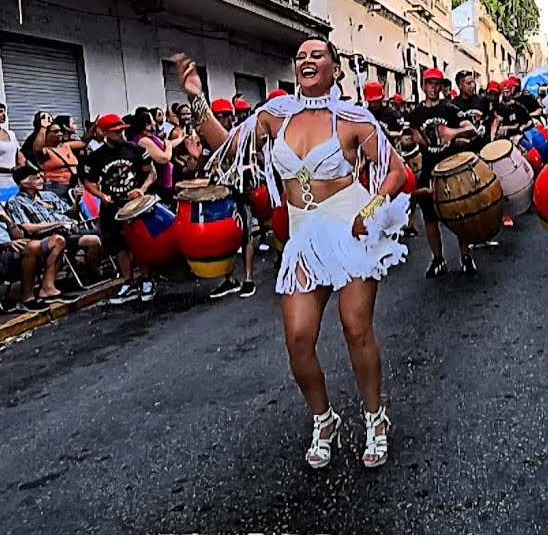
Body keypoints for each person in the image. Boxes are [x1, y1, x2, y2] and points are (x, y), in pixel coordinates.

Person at [173, 36, 408, 470]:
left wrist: (372, 208)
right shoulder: (273, 117)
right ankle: (325, 421)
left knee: (356, 328)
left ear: (335, 69)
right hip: (302, 238)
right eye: (301, 56)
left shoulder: (354, 118)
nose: (307, 60)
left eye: (317, 55)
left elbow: (396, 171)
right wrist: (196, 98)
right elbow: (226, 147)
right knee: (298, 340)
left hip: (350, 230)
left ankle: (375, 419)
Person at [406, 68, 480, 277]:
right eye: (430, 83)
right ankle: (438, 260)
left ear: (441, 87)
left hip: (452, 169)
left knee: (460, 215)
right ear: (423, 86)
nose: (433, 87)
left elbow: (472, 129)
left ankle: (465, 257)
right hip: (429, 170)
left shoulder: (450, 109)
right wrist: (411, 139)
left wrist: (452, 133)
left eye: (437, 84)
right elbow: (409, 137)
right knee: (430, 218)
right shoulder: (416, 114)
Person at [81, 113, 157, 305]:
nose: (120, 135)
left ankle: (147, 279)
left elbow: (152, 173)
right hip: (112, 206)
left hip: (134, 206)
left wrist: (141, 189)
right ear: (104, 133)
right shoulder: (96, 157)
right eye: (115, 132)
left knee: (139, 243)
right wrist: (101, 196)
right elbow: (88, 182)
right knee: (119, 246)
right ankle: (128, 282)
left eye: (122, 131)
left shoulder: (136, 150)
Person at [0, 184, 72, 305]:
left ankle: (48, 287)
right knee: (31, 248)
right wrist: (4, 245)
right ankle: (27, 297)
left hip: (15, 251)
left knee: (58, 241)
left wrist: (7, 220)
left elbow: (19, 236)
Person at [6, 164, 103, 279]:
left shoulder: (48, 195)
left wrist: (77, 200)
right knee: (93, 240)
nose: (41, 180)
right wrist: (57, 224)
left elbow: (70, 213)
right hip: (49, 236)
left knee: (99, 233)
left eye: (40, 177)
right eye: (36, 178)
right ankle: (93, 273)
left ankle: (84, 269)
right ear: (24, 183)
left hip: (70, 229)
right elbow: (26, 227)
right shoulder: (15, 202)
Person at [126, 107, 175, 201]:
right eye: (152, 120)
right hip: (159, 181)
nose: (155, 122)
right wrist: (168, 145)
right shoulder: (143, 140)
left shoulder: (151, 136)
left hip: (167, 178)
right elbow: (163, 158)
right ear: (146, 125)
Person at [31, 118, 82, 201]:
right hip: (56, 187)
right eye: (56, 132)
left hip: (73, 185)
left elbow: (84, 142)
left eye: (60, 131)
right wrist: (43, 128)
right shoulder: (46, 150)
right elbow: (37, 149)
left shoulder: (66, 146)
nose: (60, 134)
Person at [452, 70, 490, 151]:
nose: (472, 86)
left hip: (483, 146)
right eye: (468, 83)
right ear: (460, 85)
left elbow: (488, 119)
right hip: (464, 150)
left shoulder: (482, 100)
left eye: (473, 82)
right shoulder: (453, 105)